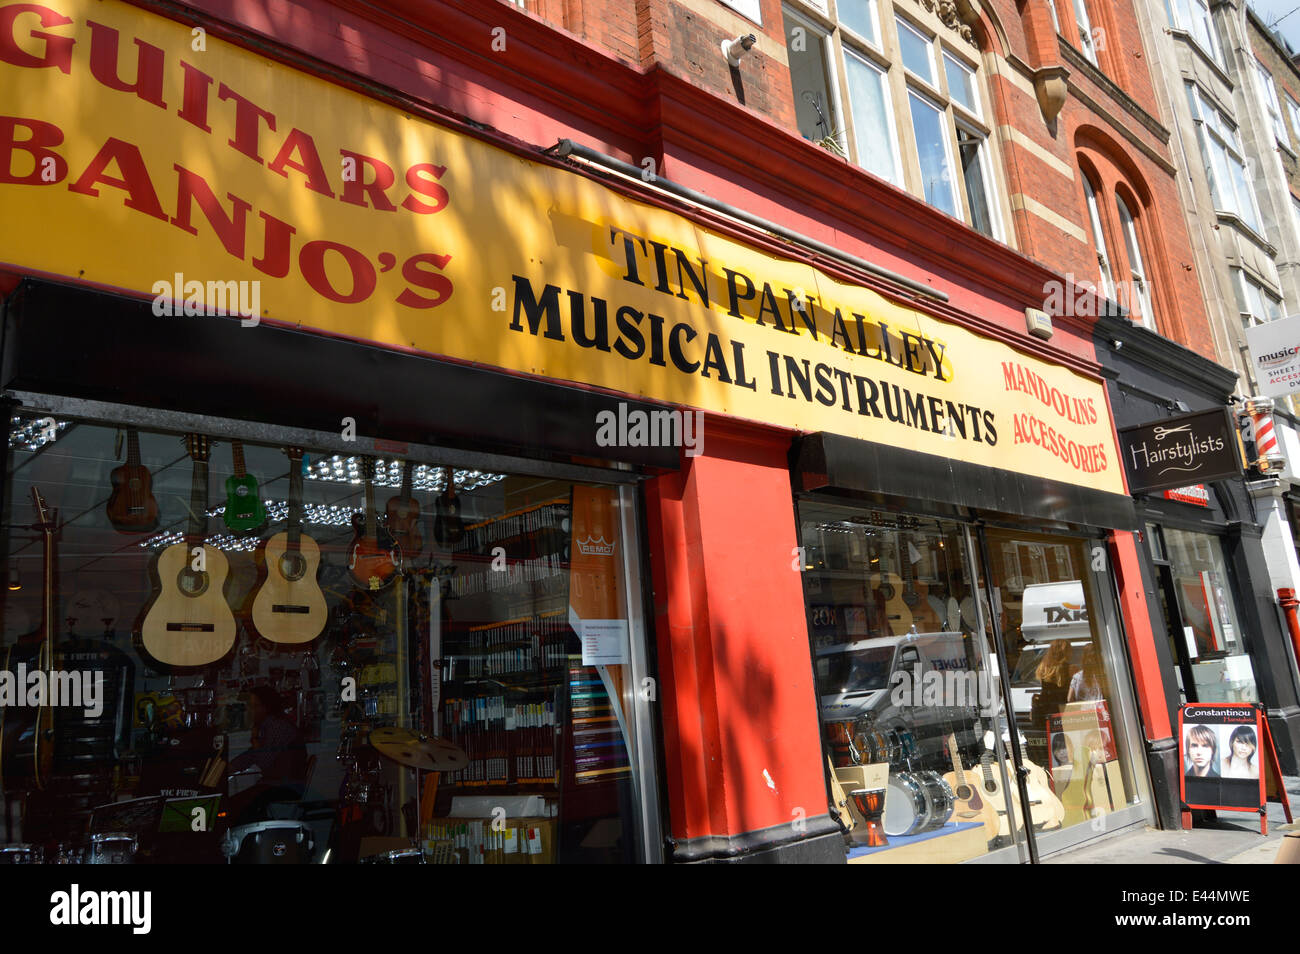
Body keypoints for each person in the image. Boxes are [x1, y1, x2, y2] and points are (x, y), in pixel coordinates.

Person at [225, 686, 309, 824]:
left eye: (255, 706)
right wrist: (230, 767)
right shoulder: (270, 725)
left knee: (236, 806)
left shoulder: (277, 726)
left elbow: (264, 762)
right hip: (277, 785)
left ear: (267, 707)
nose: (250, 711)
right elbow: (251, 755)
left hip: (285, 787)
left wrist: (255, 740)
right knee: (237, 804)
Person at [1031, 639, 1072, 735]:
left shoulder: (1044, 667)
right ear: (1065, 651)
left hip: (1047, 709)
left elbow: (1044, 691)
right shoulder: (1069, 668)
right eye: (1070, 650)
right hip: (1064, 710)